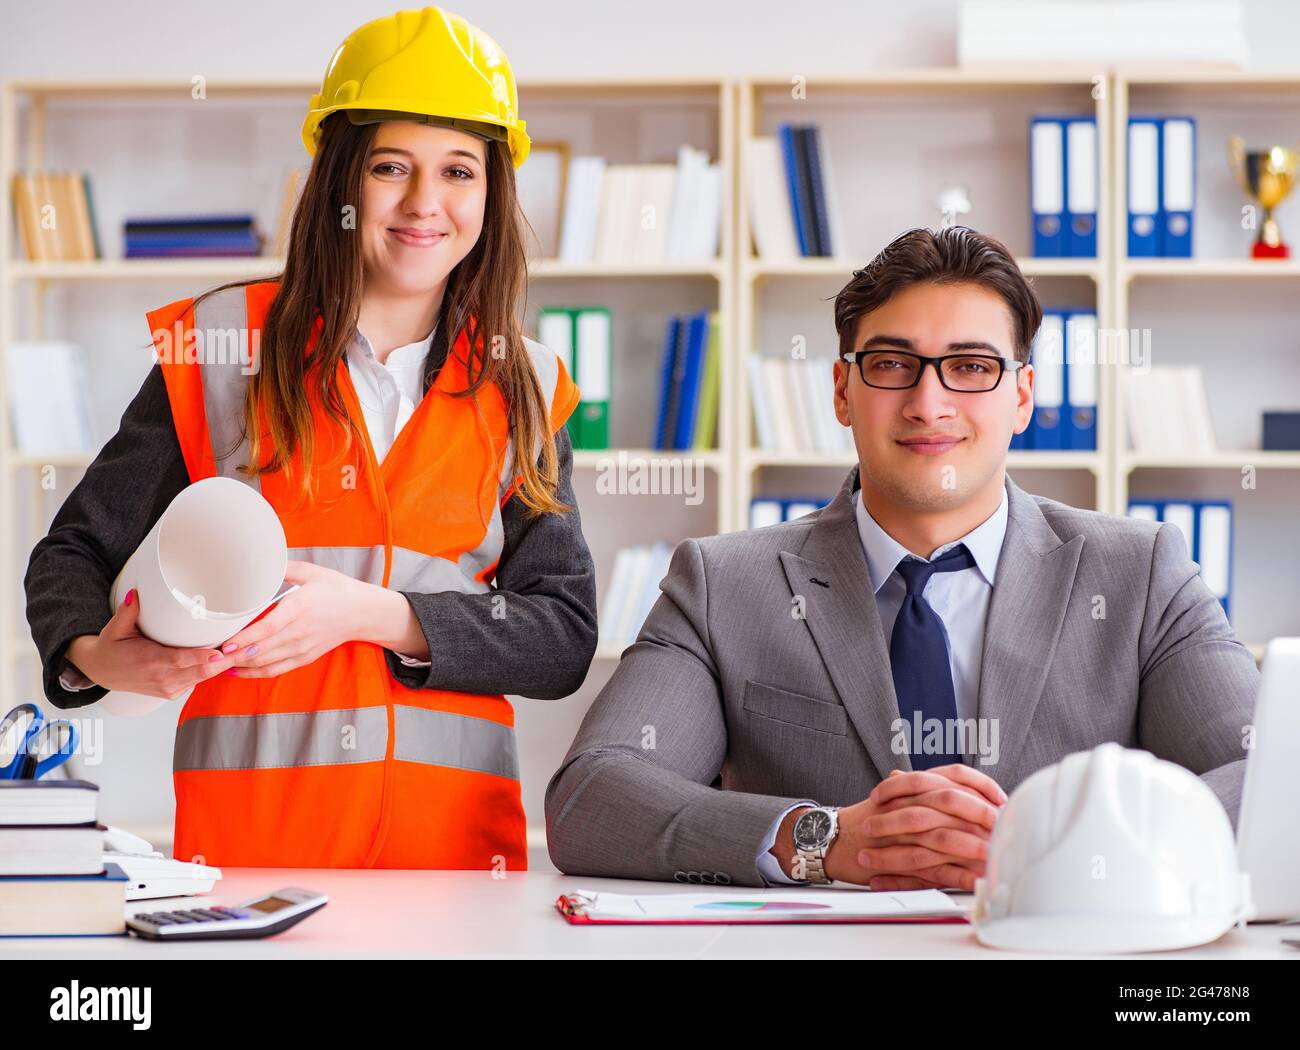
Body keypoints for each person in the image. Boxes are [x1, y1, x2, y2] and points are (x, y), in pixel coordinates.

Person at [25, 6, 597, 870]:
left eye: (458, 171)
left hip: (458, 874)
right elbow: (74, 552)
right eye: (391, 167)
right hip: (251, 868)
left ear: (492, 192)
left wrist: (377, 617)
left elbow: (560, 635)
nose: (424, 204)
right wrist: (95, 656)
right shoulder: (223, 348)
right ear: (341, 179)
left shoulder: (526, 385)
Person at [545, 225, 1257, 890]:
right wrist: (821, 838)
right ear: (842, 392)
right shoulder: (725, 583)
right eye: (891, 364)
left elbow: (1266, 777)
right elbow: (592, 795)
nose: (929, 402)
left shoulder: (1141, 574)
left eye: (971, 367)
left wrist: (1065, 847)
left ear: (1022, 398)